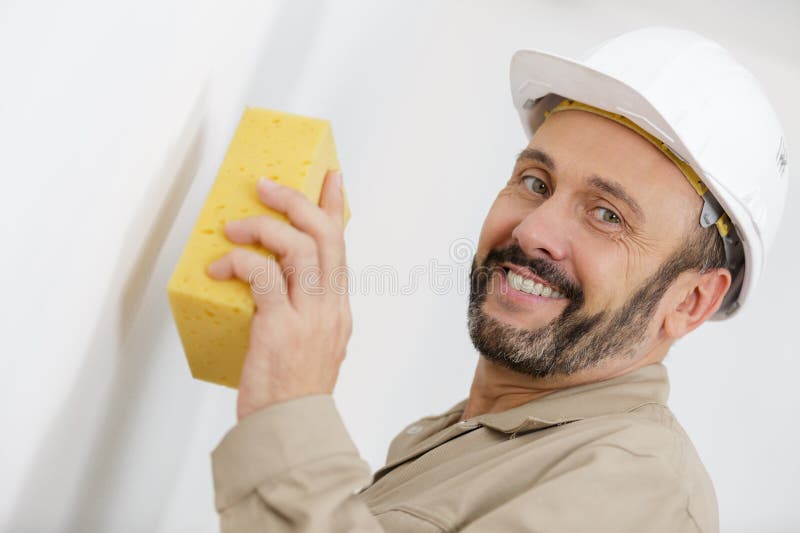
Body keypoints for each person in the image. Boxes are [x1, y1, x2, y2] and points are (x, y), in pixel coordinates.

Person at [205, 27, 789, 532]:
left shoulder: (637, 487)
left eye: (607, 215)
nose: (535, 229)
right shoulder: (476, 439)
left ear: (690, 301)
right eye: (536, 182)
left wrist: (292, 408)